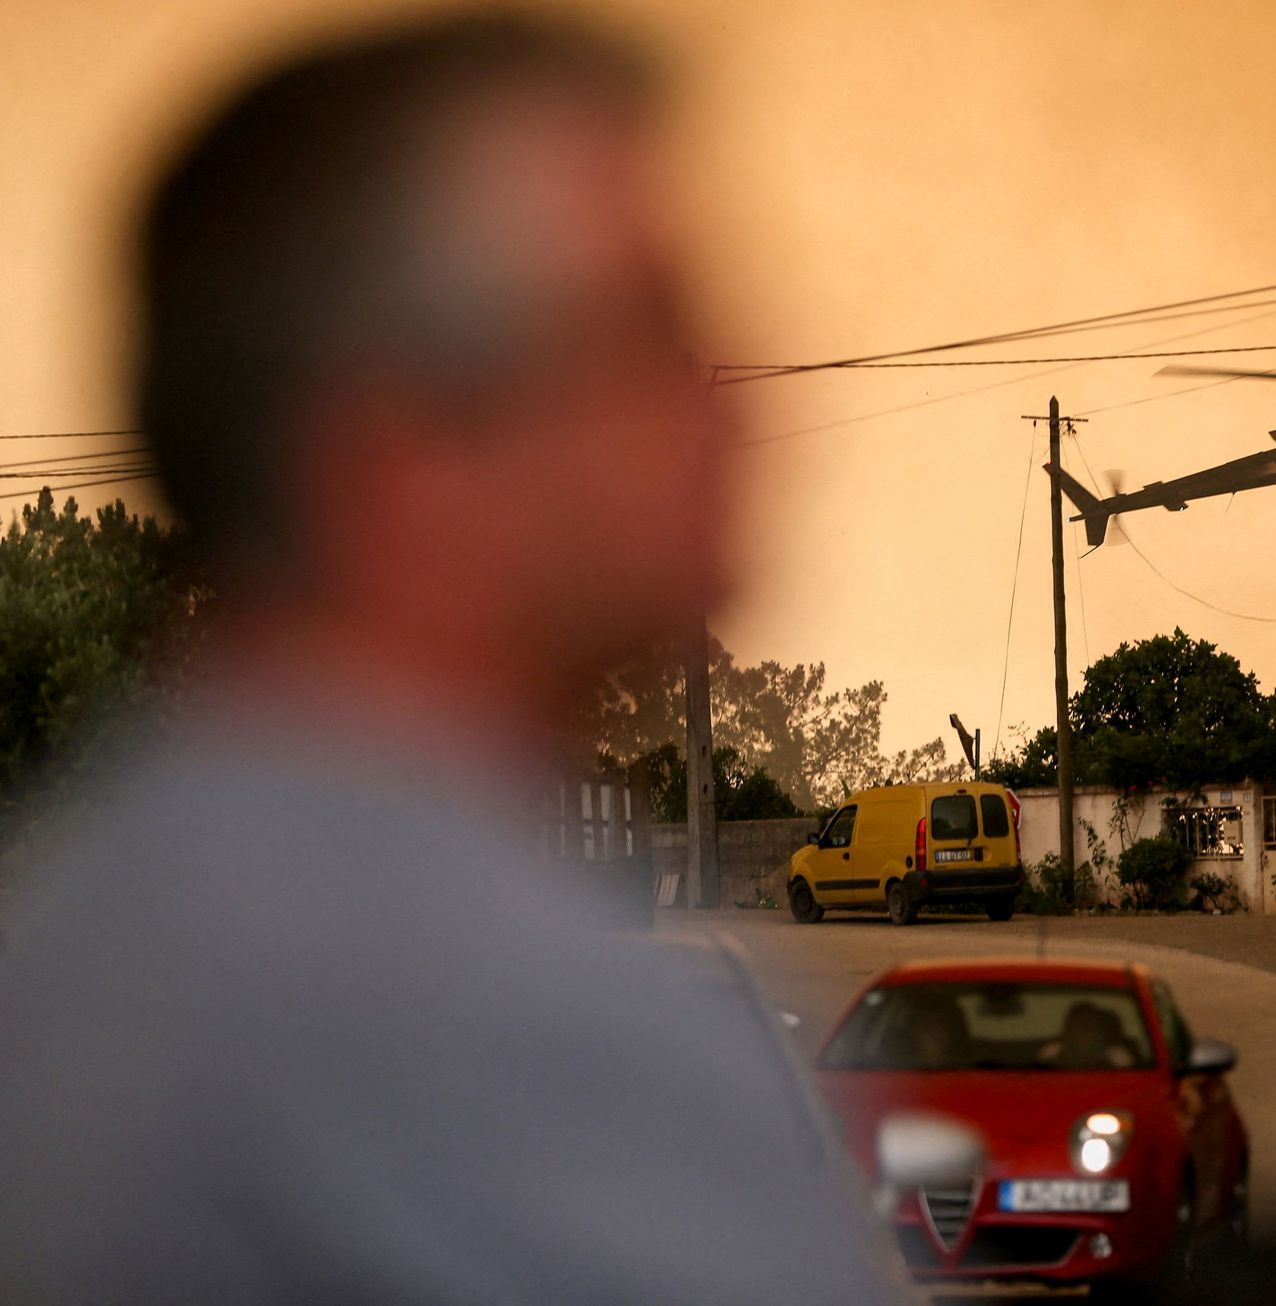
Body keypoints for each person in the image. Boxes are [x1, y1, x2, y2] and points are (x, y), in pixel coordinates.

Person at [0, 14, 899, 1303]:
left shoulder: (97, 909)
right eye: (647, 335)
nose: (733, 408)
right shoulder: (503, 1015)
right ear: (401, 472)